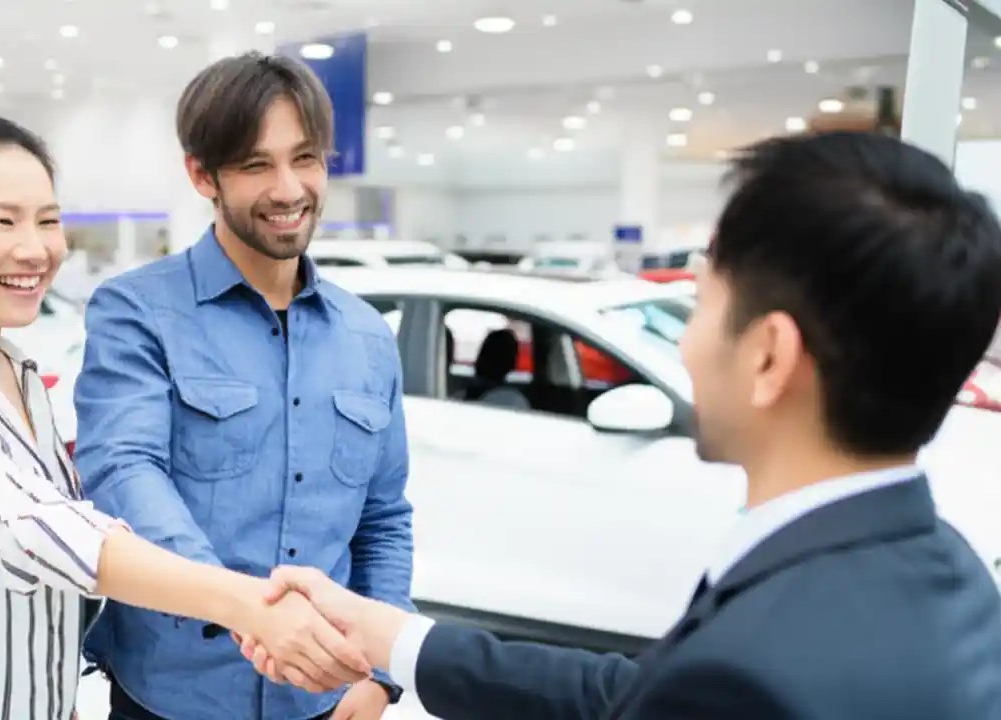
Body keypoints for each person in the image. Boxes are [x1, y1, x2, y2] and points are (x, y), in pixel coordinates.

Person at [240, 131, 1001, 719]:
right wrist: (388, 635)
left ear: (770, 356)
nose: (688, 343)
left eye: (701, 307)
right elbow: (630, 694)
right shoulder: (953, 575)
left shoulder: (751, 672)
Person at [0, 112, 370, 720]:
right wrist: (248, 605)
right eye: (2, 220)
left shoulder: (18, 376)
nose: (36, 248)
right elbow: (36, 527)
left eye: (49, 220)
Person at [73, 52, 414, 720]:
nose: (289, 188)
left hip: (321, 699)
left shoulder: (368, 336)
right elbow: (123, 471)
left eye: (306, 158)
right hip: (171, 696)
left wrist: (381, 673)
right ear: (203, 175)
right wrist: (251, 612)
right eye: (257, 165)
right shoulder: (137, 312)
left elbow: (383, 521)